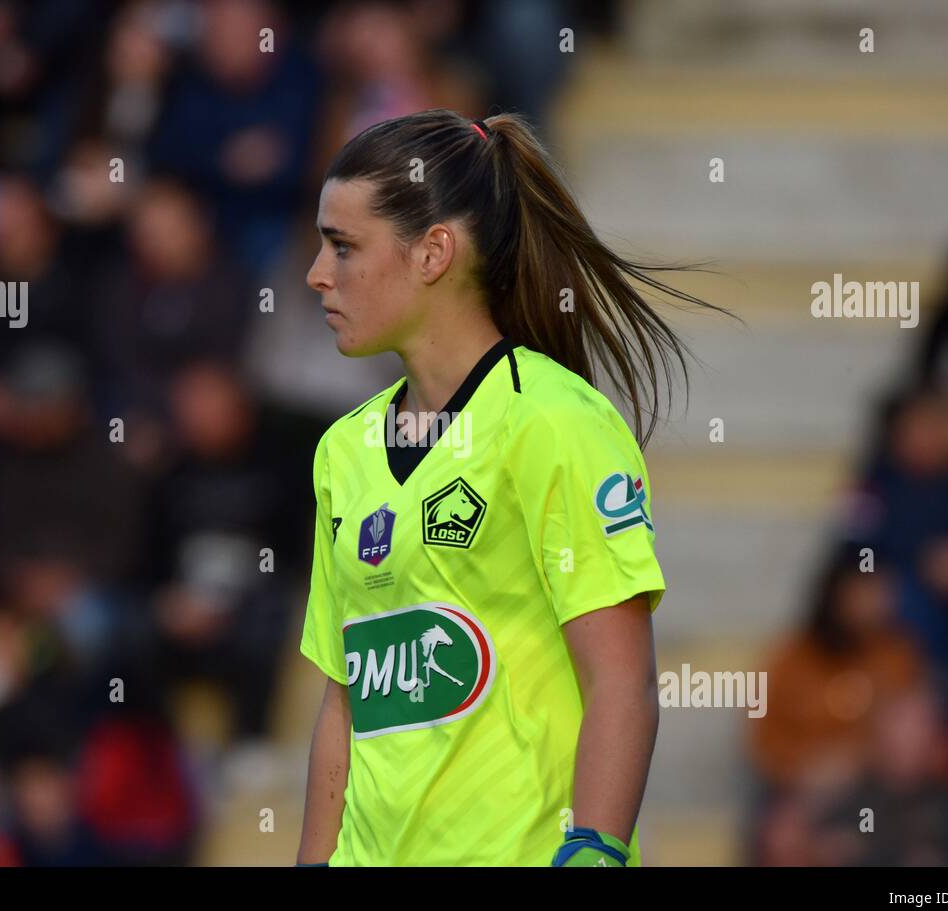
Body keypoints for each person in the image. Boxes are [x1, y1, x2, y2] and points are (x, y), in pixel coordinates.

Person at [295, 109, 729, 866]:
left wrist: (594, 852)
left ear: (432, 253)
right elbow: (343, 701)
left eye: (342, 246)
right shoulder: (343, 450)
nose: (316, 273)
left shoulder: (554, 424)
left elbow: (622, 683)